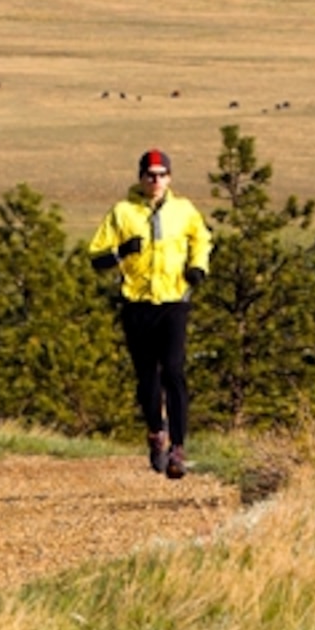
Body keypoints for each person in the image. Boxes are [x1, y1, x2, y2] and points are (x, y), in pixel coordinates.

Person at [90, 147, 211, 479]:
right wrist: (121, 252)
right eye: (149, 175)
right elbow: (96, 257)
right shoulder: (122, 212)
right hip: (137, 302)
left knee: (174, 372)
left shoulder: (184, 210)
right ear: (140, 178)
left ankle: (178, 449)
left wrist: (198, 267)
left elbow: (202, 238)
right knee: (148, 378)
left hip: (173, 300)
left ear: (169, 178)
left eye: (161, 175)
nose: (155, 180)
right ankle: (156, 432)